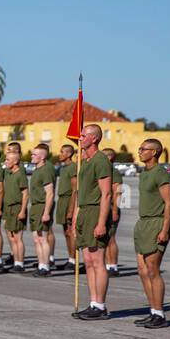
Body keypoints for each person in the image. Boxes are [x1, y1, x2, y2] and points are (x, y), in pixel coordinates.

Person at [72, 124, 113, 320]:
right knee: (87, 261)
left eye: (83, 135)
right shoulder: (85, 161)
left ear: (94, 139)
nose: (80, 138)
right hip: (84, 212)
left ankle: (100, 305)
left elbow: (106, 194)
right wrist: (75, 220)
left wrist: (101, 223)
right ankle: (92, 302)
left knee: (98, 261)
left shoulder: (101, 160)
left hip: (96, 211)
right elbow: (80, 194)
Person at [133, 138, 170, 328]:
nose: (139, 151)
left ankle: (160, 314)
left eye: (143, 149)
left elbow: (169, 203)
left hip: (156, 223)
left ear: (154, 152)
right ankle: (153, 310)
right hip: (143, 223)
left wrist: (164, 228)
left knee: (152, 270)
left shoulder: (160, 173)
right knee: (142, 271)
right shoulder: (144, 173)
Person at [28, 143, 56, 277]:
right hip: (35, 206)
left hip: (42, 206)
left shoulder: (45, 170)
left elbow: (50, 193)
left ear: (42, 157)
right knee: (36, 238)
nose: (31, 156)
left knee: (43, 238)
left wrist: (46, 212)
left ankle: (45, 266)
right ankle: (41, 264)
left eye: (34, 154)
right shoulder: (37, 170)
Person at [2, 148, 29, 272]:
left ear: (15, 161)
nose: (5, 161)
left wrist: (22, 210)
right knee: (11, 237)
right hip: (8, 208)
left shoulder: (20, 174)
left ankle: (20, 263)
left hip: (17, 207)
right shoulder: (8, 173)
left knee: (18, 237)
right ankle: (15, 261)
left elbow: (25, 193)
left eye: (8, 159)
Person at [54, 144, 77, 270]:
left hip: (69, 199)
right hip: (62, 199)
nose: (60, 154)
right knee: (66, 232)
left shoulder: (73, 167)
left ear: (69, 154)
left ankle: (74, 260)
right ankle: (70, 258)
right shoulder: (63, 169)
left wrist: (71, 209)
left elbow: (74, 190)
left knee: (70, 232)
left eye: (62, 152)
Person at [101, 147, 123, 276]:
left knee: (111, 238)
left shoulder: (114, 172)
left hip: (111, 208)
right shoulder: (106, 171)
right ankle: (107, 264)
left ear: (109, 158)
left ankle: (113, 266)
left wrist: (115, 210)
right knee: (105, 239)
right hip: (104, 209)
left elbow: (118, 192)